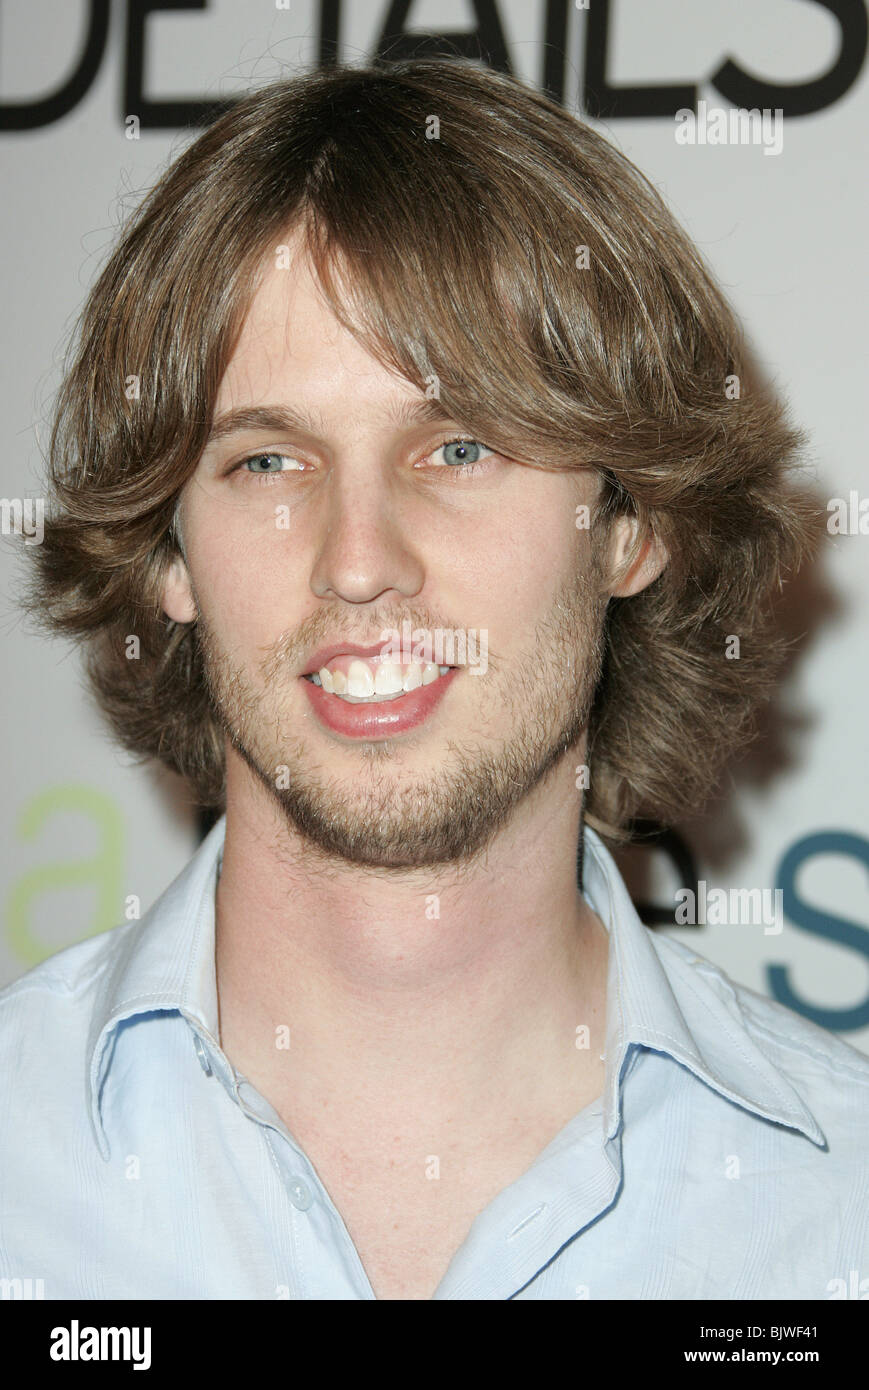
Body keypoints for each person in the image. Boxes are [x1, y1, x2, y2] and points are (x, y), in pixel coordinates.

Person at [3, 57, 866, 1302]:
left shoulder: (829, 1214)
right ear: (168, 554)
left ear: (630, 526)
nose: (358, 563)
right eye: (265, 463)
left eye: (458, 446)